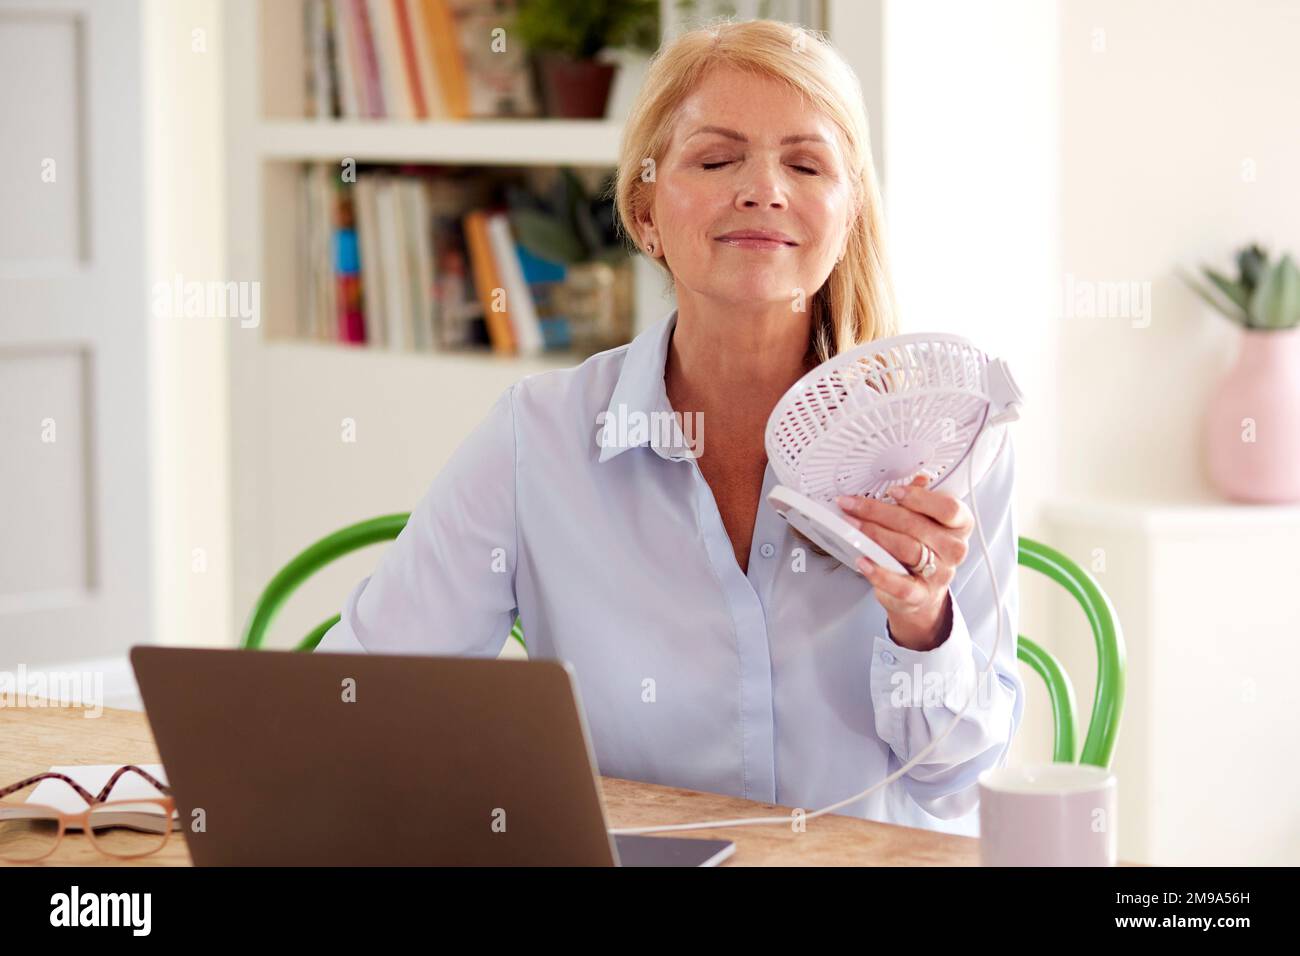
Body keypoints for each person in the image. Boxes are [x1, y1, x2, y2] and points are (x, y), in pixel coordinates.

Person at [317, 19, 1023, 836]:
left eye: (806, 163)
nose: (763, 189)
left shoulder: (944, 445)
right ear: (645, 211)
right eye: (717, 159)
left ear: (848, 215)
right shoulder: (537, 440)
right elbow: (362, 699)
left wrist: (923, 623)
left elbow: (958, 782)